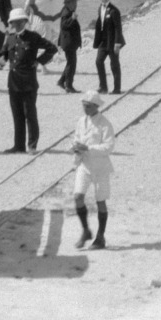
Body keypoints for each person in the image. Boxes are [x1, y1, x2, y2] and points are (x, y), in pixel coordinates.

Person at [1, 8, 57, 153]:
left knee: (29, 114)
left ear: (25, 22)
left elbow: (52, 48)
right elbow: (3, 55)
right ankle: (18, 145)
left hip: (28, 82)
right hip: (13, 82)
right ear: (11, 23)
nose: (17, 24)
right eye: (14, 22)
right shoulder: (10, 38)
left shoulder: (33, 37)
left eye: (20, 22)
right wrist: (1, 59)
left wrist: (39, 61)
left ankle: (32, 145)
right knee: (17, 115)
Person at [69, 90, 117, 249]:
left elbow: (108, 147)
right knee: (78, 196)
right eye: (83, 106)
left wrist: (88, 148)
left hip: (101, 168)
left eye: (88, 106)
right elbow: (76, 138)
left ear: (96, 106)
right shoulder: (81, 121)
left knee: (100, 201)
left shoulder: (104, 123)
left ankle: (100, 237)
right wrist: (75, 147)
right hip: (84, 164)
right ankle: (85, 230)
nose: (85, 109)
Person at [91, 0, 125, 94]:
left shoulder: (114, 11)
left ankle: (117, 88)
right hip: (103, 42)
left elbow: (118, 28)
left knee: (114, 64)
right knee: (98, 61)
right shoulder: (100, 8)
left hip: (113, 42)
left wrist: (117, 44)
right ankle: (103, 87)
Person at [55, 0, 82, 92]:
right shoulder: (67, 12)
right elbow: (64, 25)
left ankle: (62, 81)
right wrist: (72, 18)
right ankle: (69, 86)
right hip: (68, 43)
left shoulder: (68, 10)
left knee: (70, 63)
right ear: (68, 4)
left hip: (68, 42)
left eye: (75, 2)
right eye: (74, 3)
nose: (75, 4)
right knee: (72, 64)